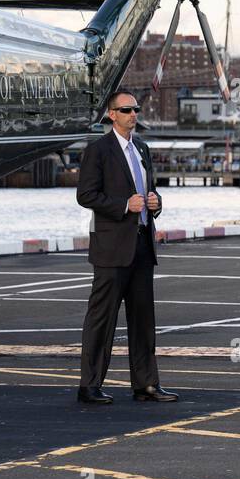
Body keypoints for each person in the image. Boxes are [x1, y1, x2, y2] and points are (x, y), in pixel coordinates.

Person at [74, 89, 177, 404]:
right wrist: (123, 205)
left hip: (143, 245)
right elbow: (86, 195)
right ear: (112, 114)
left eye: (136, 109)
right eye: (127, 109)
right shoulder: (98, 151)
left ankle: (145, 384)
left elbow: (149, 192)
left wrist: (156, 203)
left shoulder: (142, 149)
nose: (134, 114)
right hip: (111, 248)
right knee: (101, 320)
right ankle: (89, 386)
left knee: (144, 319)